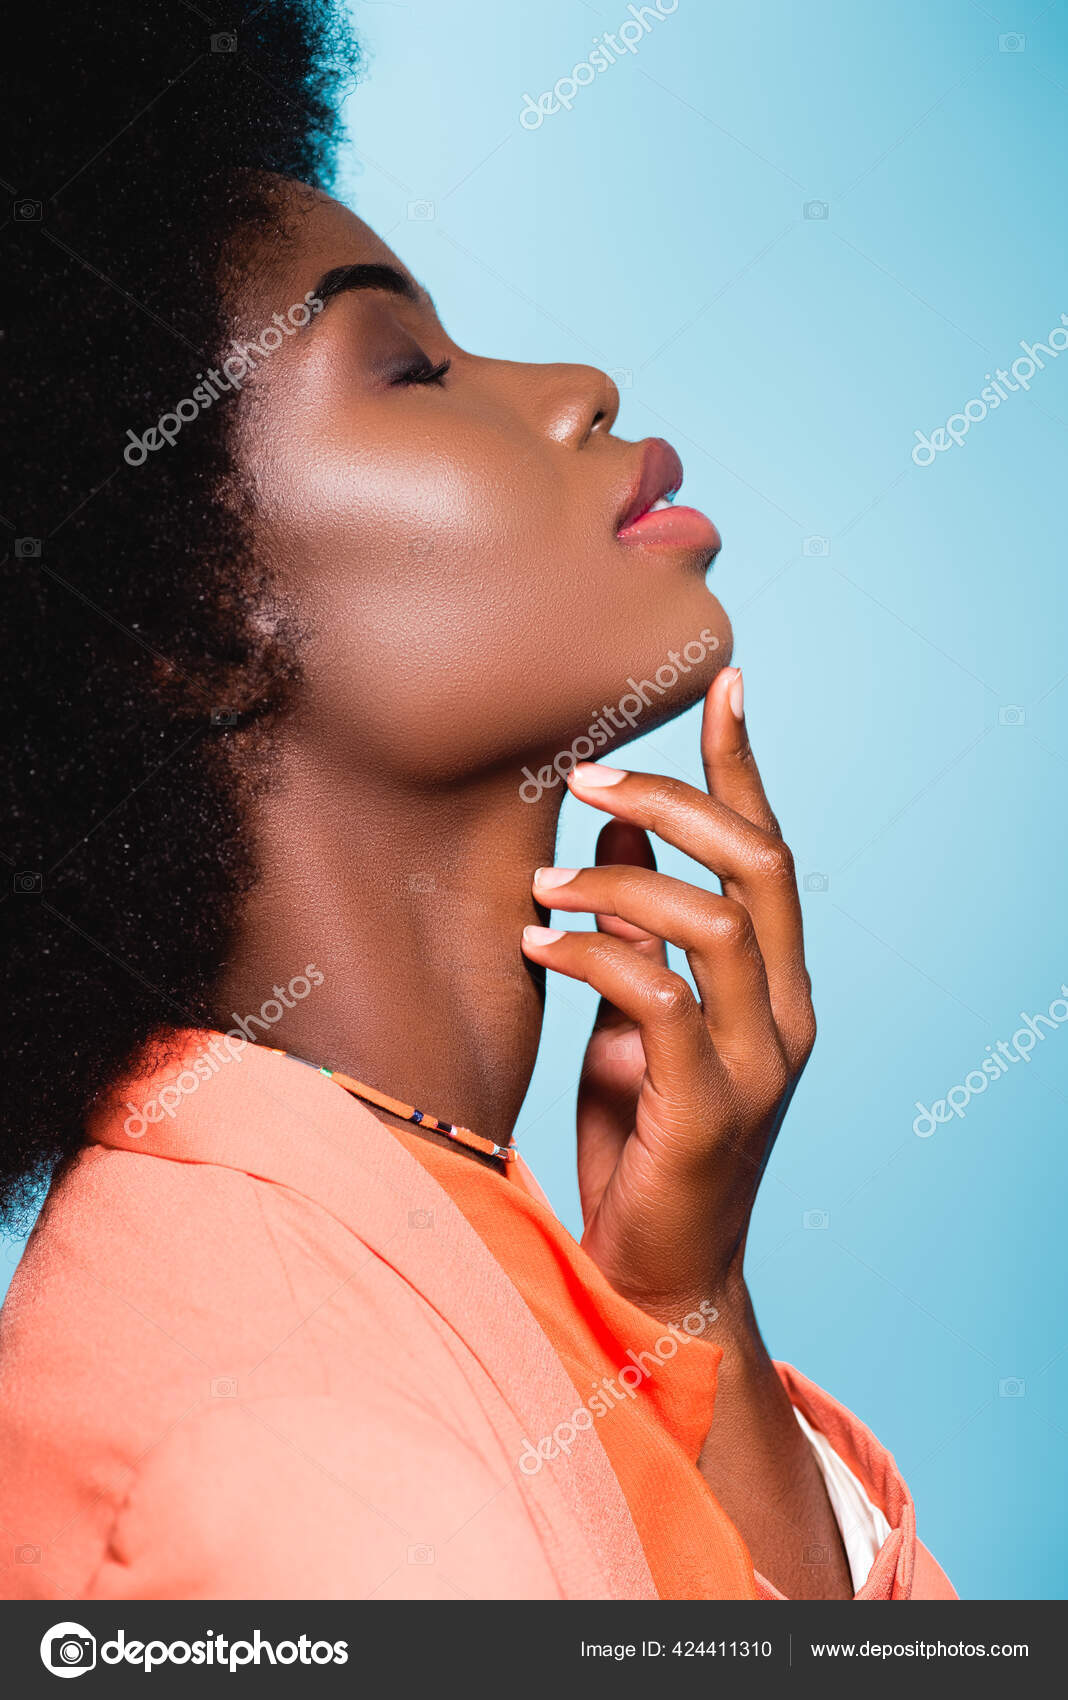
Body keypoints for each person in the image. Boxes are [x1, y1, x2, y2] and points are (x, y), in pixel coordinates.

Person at [0, 0, 954, 1602]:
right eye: (411, 369)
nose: (579, 385)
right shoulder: (277, 1469)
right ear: (174, 626)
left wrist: (683, 1308)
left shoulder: (416, 1263)